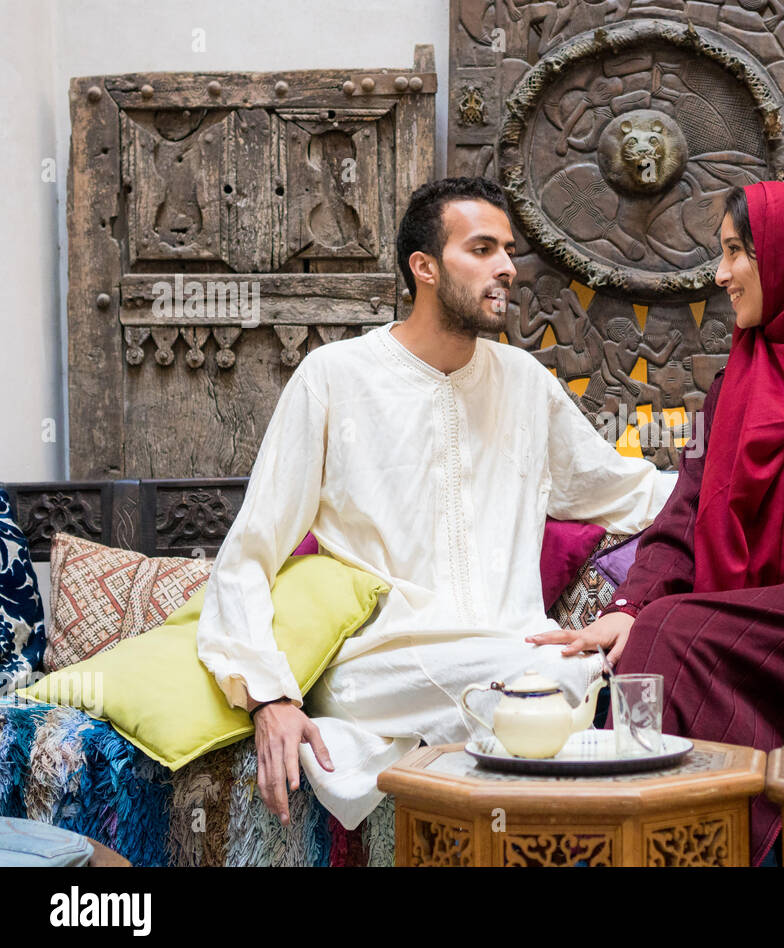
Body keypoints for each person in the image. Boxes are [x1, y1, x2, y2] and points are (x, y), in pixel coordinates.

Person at [196, 177, 676, 830]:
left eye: (507, 250)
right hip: (382, 667)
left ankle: (445, 775)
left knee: (560, 673)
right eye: (481, 248)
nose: (506, 266)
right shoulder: (335, 378)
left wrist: (738, 481)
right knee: (540, 690)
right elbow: (250, 552)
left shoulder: (524, 384)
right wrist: (268, 696)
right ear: (423, 267)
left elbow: (629, 493)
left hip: (516, 655)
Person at [527, 181, 784, 865]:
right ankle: (643, 840)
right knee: (646, 644)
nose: (719, 274)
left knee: (674, 633)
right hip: (739, 633)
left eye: (734, 253)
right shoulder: (736, 383)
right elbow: (684, 518)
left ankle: (628, 847)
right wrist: (631, 604)